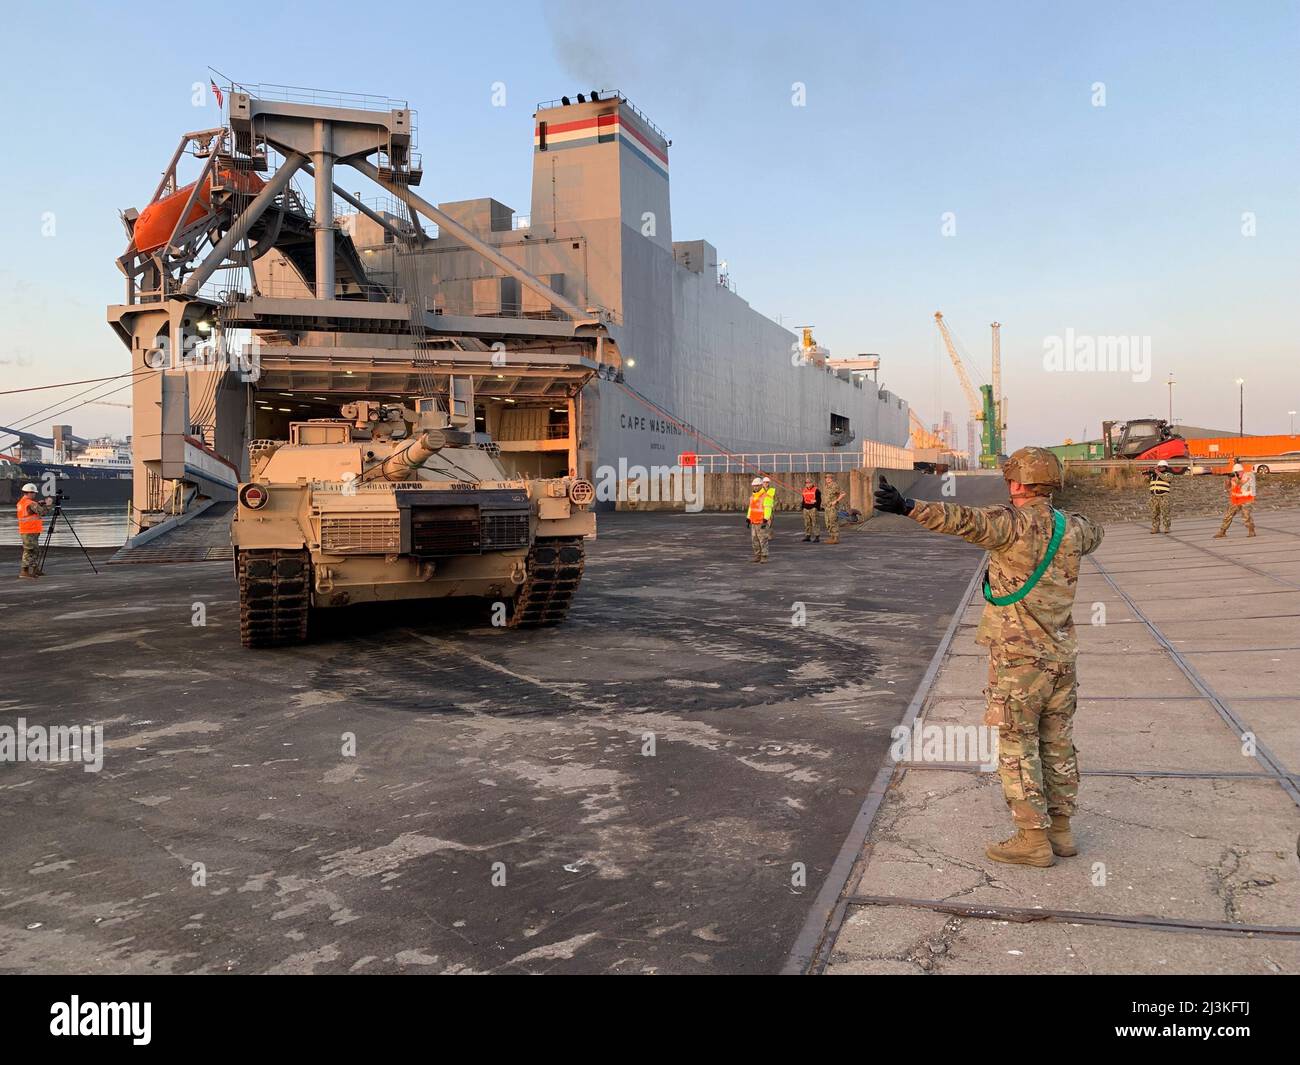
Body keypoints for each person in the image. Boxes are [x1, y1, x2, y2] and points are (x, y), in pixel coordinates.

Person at [875, 447, 1104, 868]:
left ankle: (1033, 839)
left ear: (1016, 483)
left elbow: (961, 519)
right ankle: (1062, 831)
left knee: (1017, 743)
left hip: (1019, 660)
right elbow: (1095, 531)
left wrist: (906, 506)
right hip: (1061, 657)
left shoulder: (1008, 525)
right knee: (1057, 742)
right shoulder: (1074, 528)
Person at [16, 483, 52, 579]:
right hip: (30, 530)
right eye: (34, 493)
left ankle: (35, 569)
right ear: (29, 493)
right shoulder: (30, 503)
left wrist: (38, 504)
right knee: (30, 550)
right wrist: (48, 505)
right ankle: (24, 571)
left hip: (27, 530)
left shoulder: (22, 502)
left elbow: (29, 512)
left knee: (34, 550)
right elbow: (43, 512)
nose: (35, 495)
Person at [1214, 462, 1256, 538]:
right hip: (1235, 500)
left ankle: (1251, 530)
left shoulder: (1248, 476)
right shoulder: (1233, 478)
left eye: (1238, 472)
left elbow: (1241, 485)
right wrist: (1227, 483)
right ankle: (1222, 531)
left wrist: (1236, 480)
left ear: (1242, 471)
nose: (1237, 474)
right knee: (1228, 515)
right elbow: (1228, 490)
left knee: (1246, 516)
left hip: (1246, 499)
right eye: (1235, 472)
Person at [747, 476, 773, 563]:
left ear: (761, 485)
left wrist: (765, 519)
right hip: (754, 522)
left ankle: (764, 557)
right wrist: (748, 518)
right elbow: (750, 508)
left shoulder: (766, 496)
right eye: (754, 486)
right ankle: (757, 556)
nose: (755, 487)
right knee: (754, 540)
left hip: (762, 522)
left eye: (757, 485)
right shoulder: (752, 497)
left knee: (763, 540)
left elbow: (768, 508)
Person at [1146, 459, 1173, 534]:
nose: (1160, 468)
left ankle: (1167, 527)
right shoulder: (1153, 475)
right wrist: (1147, 476)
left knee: (1165, 512)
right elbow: (1146, 482)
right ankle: (1155, 527)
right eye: (1159, 467)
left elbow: (1167, 479)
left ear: (1166, 467)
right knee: (1154, 513)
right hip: (1154, 497)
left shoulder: (1168, 474)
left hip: (1164, 496)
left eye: (1161, 467)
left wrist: (1157, 472)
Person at [822, 473, 845, 545]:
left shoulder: (835, 485)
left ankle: (836, 538)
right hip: (827, 507)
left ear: (832, 479)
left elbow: (843, 493)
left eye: (829, 478)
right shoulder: (826, 486)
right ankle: (831, 537)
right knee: (827, 522)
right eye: (826, 478)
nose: (827, 479)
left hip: (833, 507)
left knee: (833, 522)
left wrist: (836, 501)